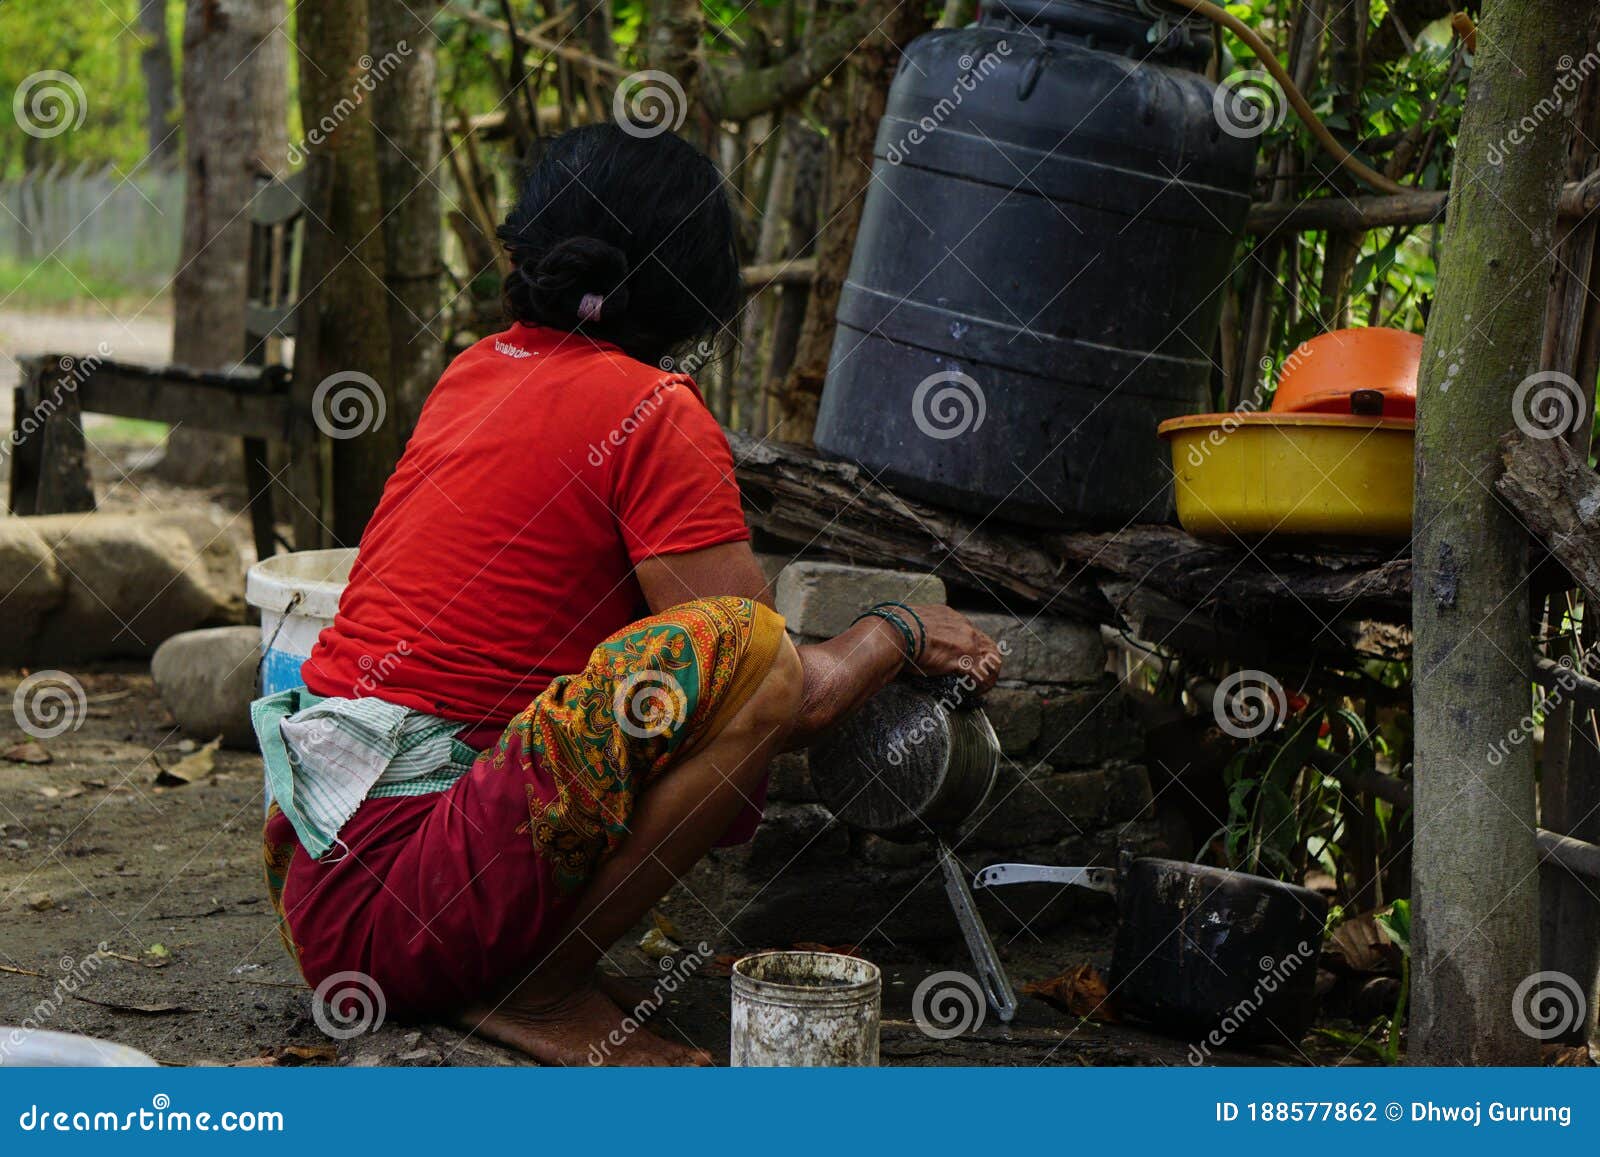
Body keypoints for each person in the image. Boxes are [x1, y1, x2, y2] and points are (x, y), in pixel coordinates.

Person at [254, 124, 1002, 1066]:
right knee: (753, 653)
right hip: (409, 911)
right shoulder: (654, 408)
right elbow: (791, 690)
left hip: (321, 892)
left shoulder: (476, 369)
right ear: (689, 280)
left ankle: (524, 962)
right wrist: (896, 628)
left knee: (710, 656)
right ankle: (536, 986)